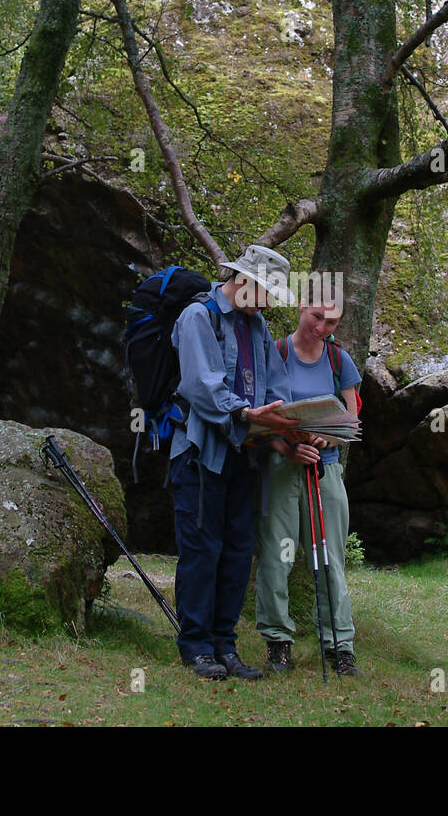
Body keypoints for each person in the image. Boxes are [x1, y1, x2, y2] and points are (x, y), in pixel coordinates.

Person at [169, 245, 299, 681]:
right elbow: (200, 386)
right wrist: (246, 414)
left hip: (245, 456)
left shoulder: (256, 325)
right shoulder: (198, 318)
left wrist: (292, 422)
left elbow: (275, 383)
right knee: (202, 550)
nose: (266, 302)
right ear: (243, 281)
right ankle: (195, 647)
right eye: (264, 292)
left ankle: (225, 646)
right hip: (201, 455)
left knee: (238, 552)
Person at [254, 280, 364, 676]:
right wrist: (286, 447)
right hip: (283, 469)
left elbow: (351, 418)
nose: (322, 327)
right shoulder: (276, 353)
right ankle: (278, 642)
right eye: (318, 316)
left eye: (332, 322)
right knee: (277, 556)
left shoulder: (339, 362)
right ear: (303, 307)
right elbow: (259, 419)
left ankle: (339, 645)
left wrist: (326, 434)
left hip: (325, 468)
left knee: (329, 559)